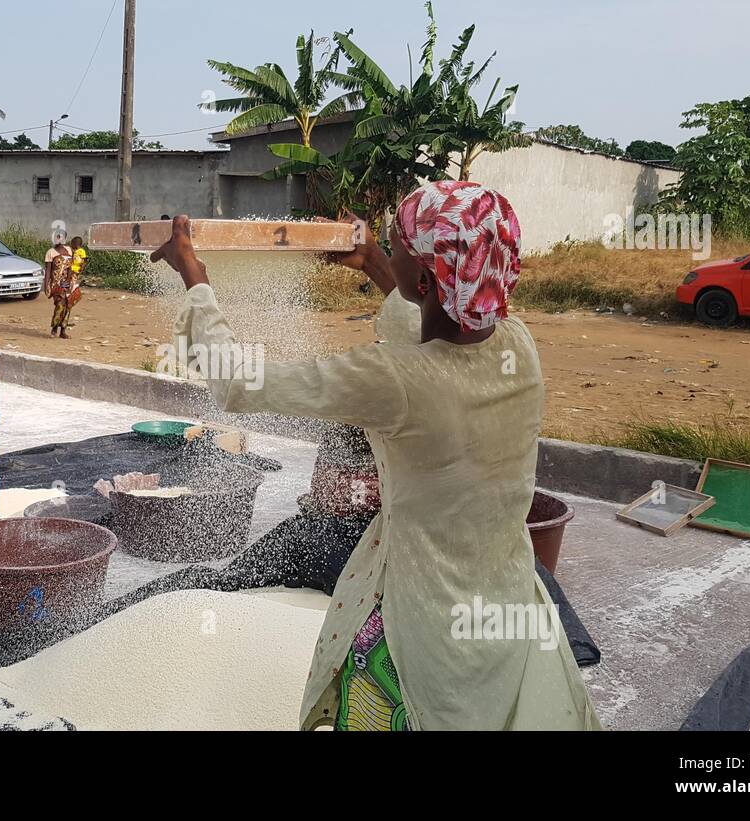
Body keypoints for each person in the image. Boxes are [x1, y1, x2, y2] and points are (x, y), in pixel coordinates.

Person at [153, 181, 601, 731]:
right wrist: (372, 263)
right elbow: (434, 318)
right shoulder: (517, 346)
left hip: (425, 618)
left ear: (423, 280)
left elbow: (237, 384)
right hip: (503, 599)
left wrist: (196, 282)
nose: (386, 250)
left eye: (394, 245)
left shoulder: (394, 380)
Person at [46, 237, 79, 338]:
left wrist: (69, 280)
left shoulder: (69, 250)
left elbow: (71, 267)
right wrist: (46, 285)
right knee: (59, 305)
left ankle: (63, 330)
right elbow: (48, 270)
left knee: (68, 306)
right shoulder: (50, 252)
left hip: (68, 282)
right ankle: (55, 328)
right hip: (56, 283)